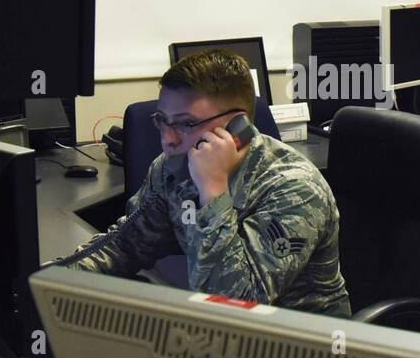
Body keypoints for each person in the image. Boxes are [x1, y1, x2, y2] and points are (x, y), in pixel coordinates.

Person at [55, 49, 350, 317]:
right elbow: (126, 245)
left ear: (237, 125)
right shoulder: (175, 169)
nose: (168, 139)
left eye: (185, 124)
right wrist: (52, 281)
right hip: (220, 347)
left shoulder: (294, 188)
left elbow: (235, 306)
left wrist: (213, 192)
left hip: (304, 355)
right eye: (162, 120)